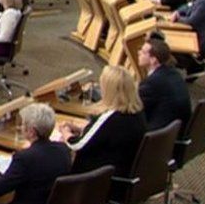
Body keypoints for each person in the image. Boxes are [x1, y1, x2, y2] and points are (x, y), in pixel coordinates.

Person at [0, 103, 72, 204]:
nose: (21, 128)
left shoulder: (25, 158)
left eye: (23, 125)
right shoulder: (63, 149)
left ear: (31, 131)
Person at [61, 65, 146, 196]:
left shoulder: (110, 117)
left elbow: (78, 144)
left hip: (98, 178)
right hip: (123, 172)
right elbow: (107, 134)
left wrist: (65, 132)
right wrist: (80, 128)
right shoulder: (137, 111)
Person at [137, 37, 192, 132]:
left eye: (142, 52)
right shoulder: (174, 73)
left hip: (159, 135)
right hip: (175, 130)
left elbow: (134, 107)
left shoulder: (152, 83)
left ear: (153, 60)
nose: (139, 53)